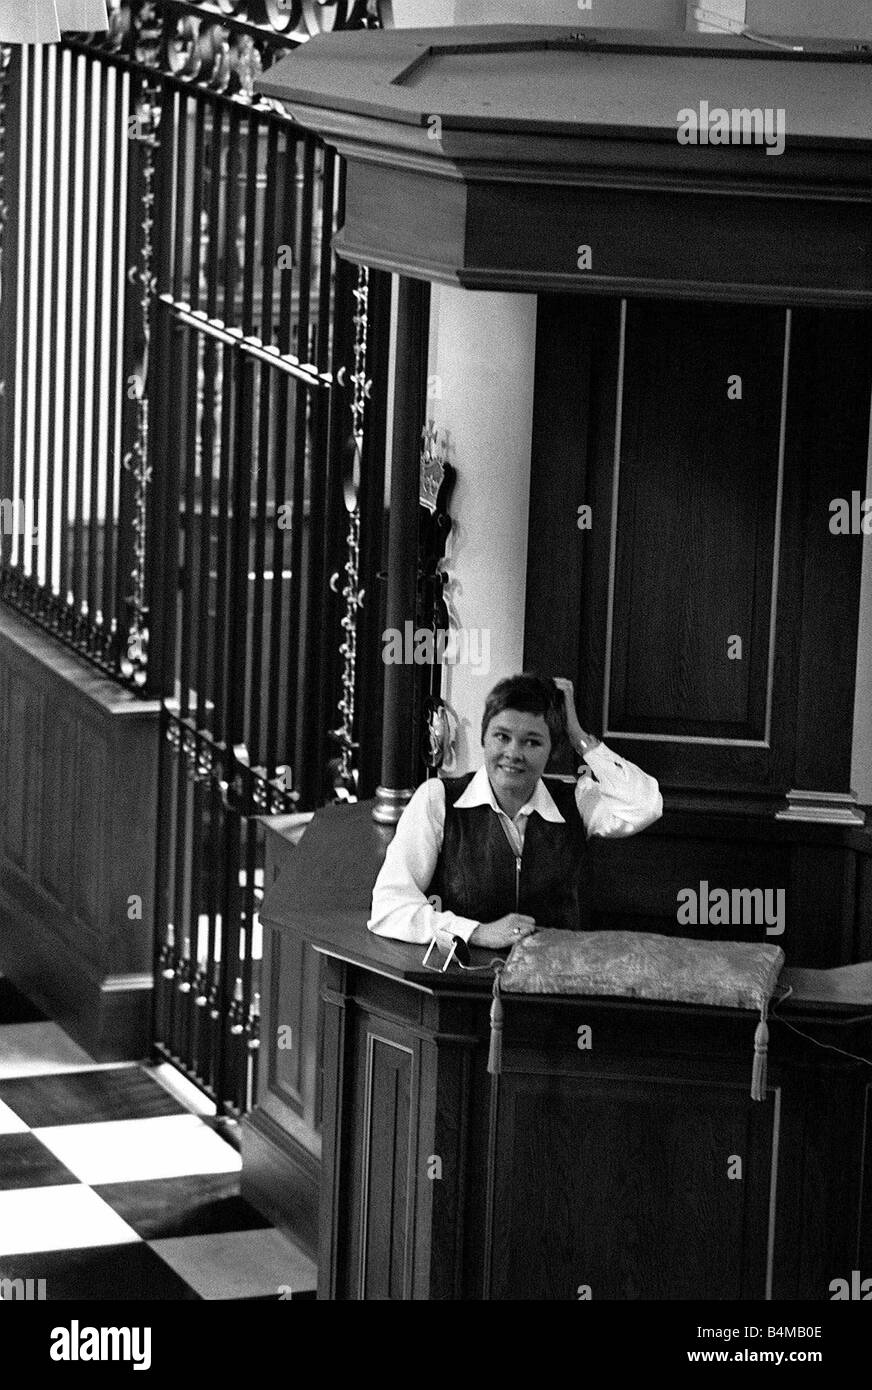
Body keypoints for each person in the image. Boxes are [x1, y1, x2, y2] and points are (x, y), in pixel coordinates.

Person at [367, 672, 662, 950]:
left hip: (557, 984)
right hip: (469, 985)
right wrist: (476, 932)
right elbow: (389, 907)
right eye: (501, 736)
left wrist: (579, 737)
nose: (513, 754)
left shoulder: (576, 799)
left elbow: (644, 806)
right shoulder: (438, 799)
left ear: (553, 750)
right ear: (484, 738)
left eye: (532, 742)